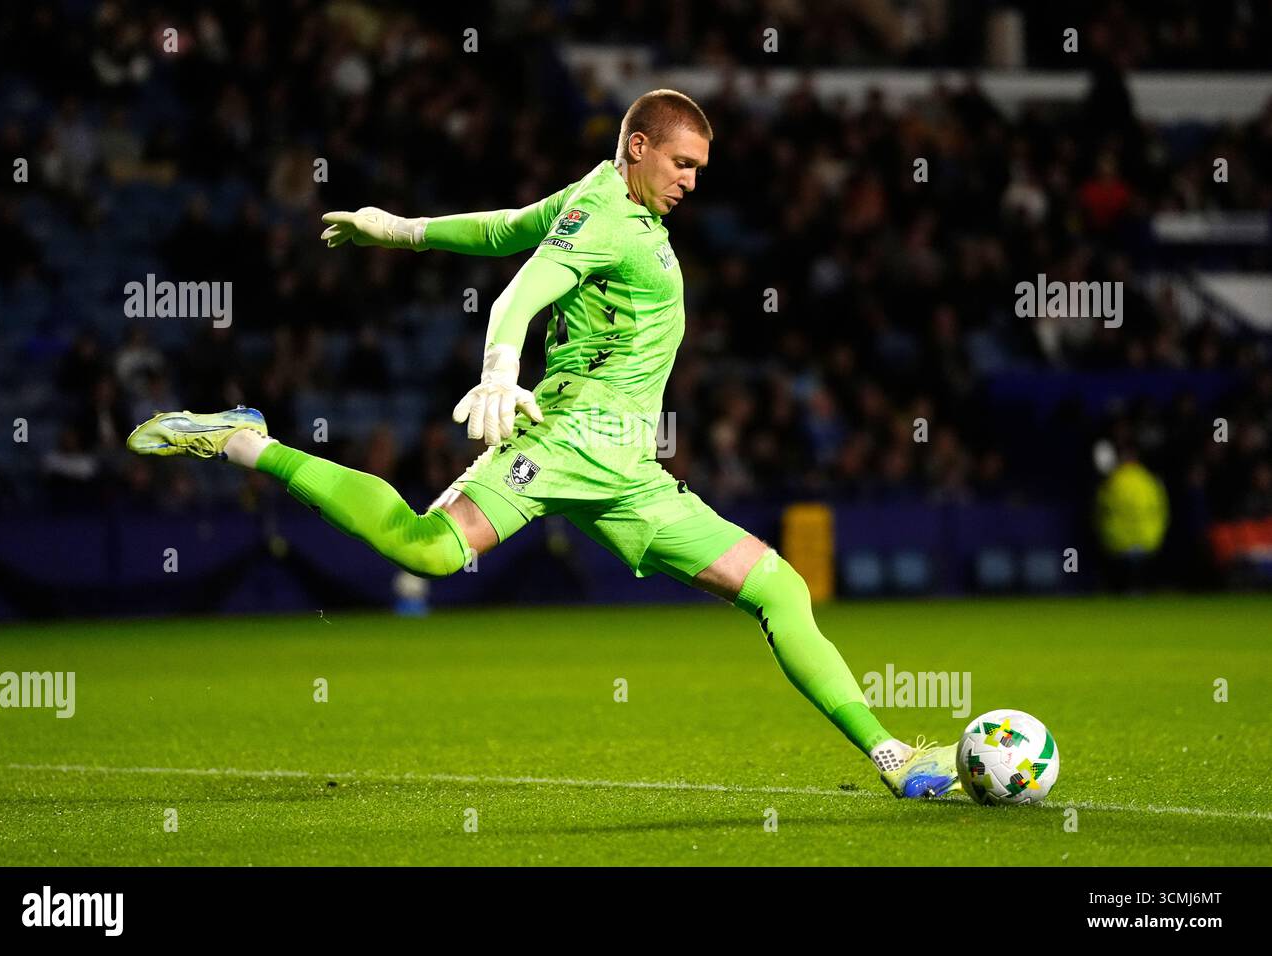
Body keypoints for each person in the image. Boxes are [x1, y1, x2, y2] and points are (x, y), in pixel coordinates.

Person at [127, 89, 959, 798]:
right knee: (429, 552)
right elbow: (516, 296)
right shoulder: (606, 215)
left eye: (699, 169)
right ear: (640, 148)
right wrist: (498, 372)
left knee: (779, 589)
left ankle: (891, 758)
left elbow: (503, 232)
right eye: (682, 165)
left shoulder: (596, 193)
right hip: (565, 443)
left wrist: (403, 231)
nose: (692, 183)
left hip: (630, 474)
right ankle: (245, 442)